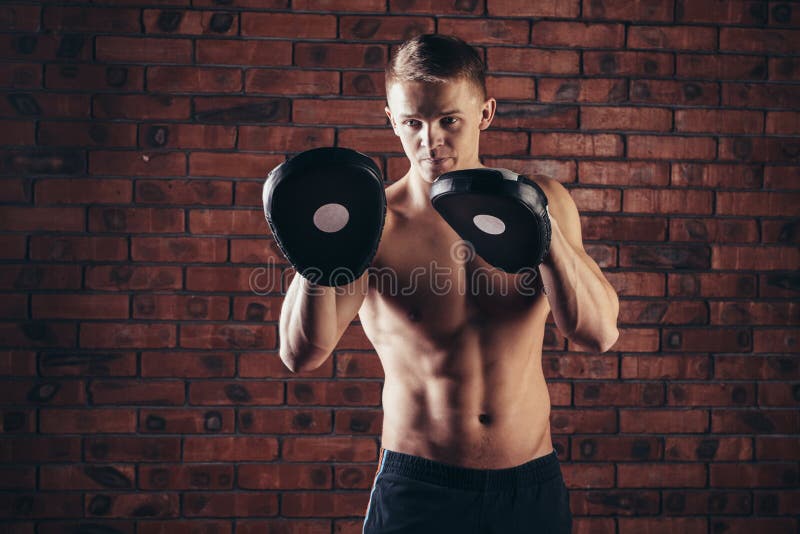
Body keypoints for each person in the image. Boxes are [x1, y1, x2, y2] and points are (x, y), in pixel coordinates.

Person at [275, 34, 620, 534]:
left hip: (529, 486)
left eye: (448, 120)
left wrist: (547, 239)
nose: (429, 139)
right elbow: (301, 353)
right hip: (419, 489)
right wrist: (315, 259)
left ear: (485, 114)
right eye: (412, 122)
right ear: (391, 119)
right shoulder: (377, 223)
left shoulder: (542, 200)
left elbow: (600, 333)